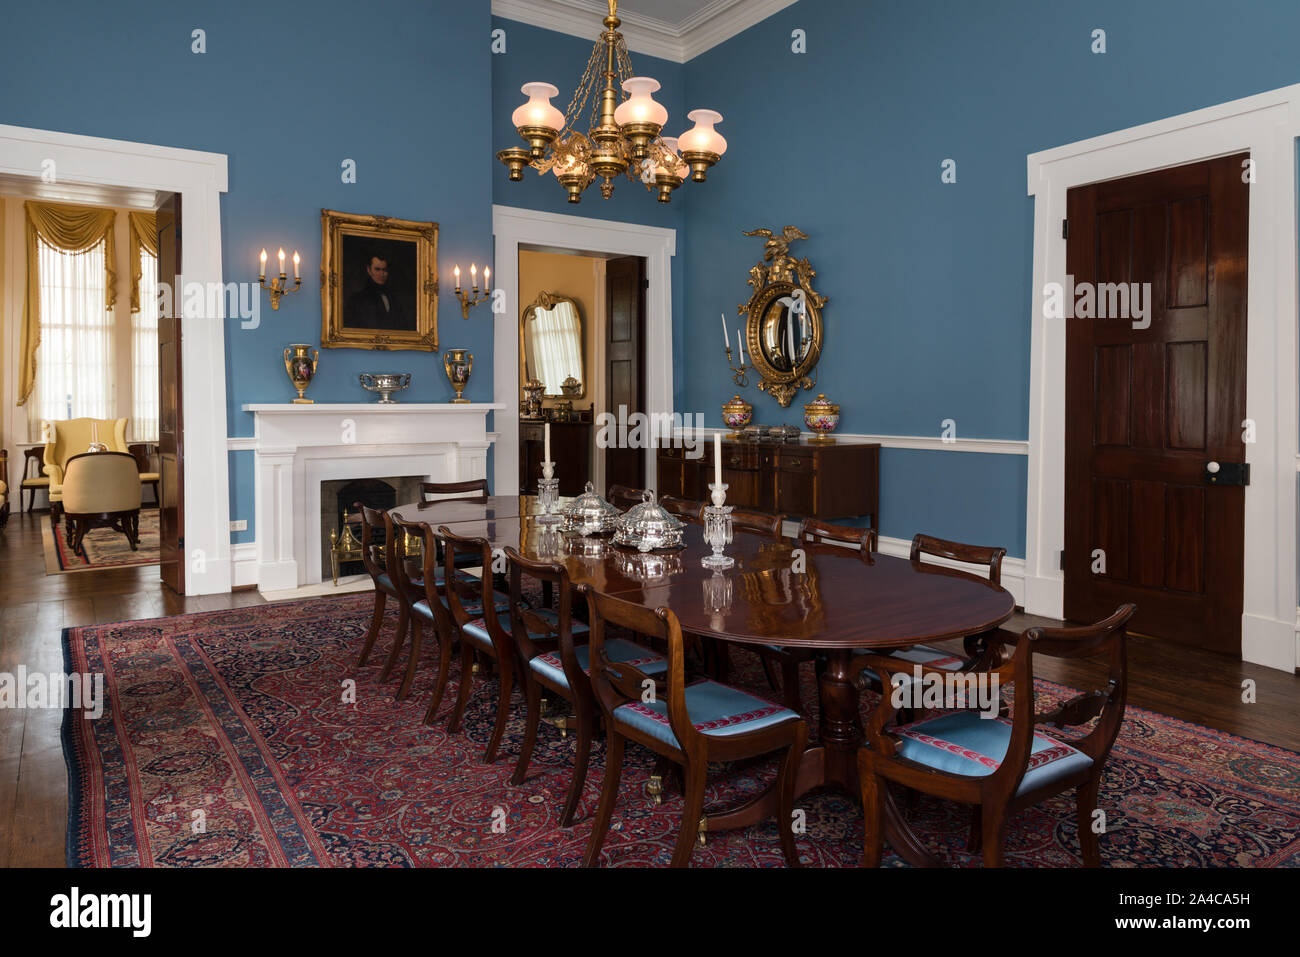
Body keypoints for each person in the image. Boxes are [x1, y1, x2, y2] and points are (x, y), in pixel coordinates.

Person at [346, 252, 409, 329]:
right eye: (377, 269)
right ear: (369, 270)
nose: (381, 274)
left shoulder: (394, 299)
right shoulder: (356, 300)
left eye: (384, 270)